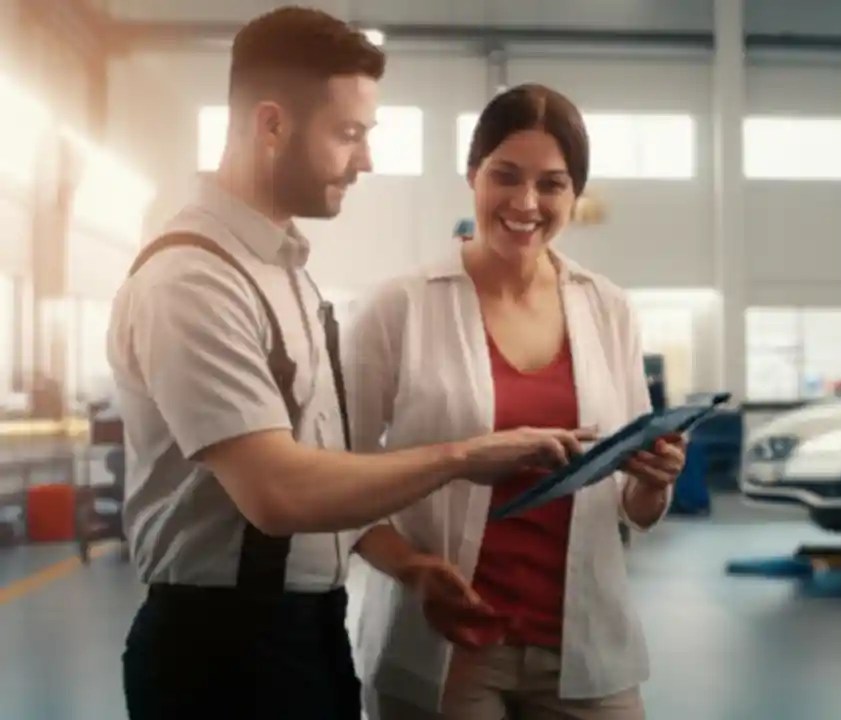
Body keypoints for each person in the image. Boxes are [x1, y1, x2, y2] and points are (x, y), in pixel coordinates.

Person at [106, 11, 589, 720]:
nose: (364, 160)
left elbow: (324, 463)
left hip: (303, 634)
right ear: (271, 125)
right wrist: (463, 455)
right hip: (222, 655)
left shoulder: (284, 272)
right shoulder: (193, 282)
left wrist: (408, 564)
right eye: (350, 133)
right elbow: (279, 494)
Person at [346, 83, 687, 720]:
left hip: (584, 642)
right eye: (505, 176)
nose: (526, 203)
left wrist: (657, 481)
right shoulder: (402, 307)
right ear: (472, 175)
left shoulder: (607, 308)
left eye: (553, 184)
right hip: (450, 642)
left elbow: (633, 505)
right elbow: (341, 480)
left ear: (575, 195)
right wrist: (415, 569)